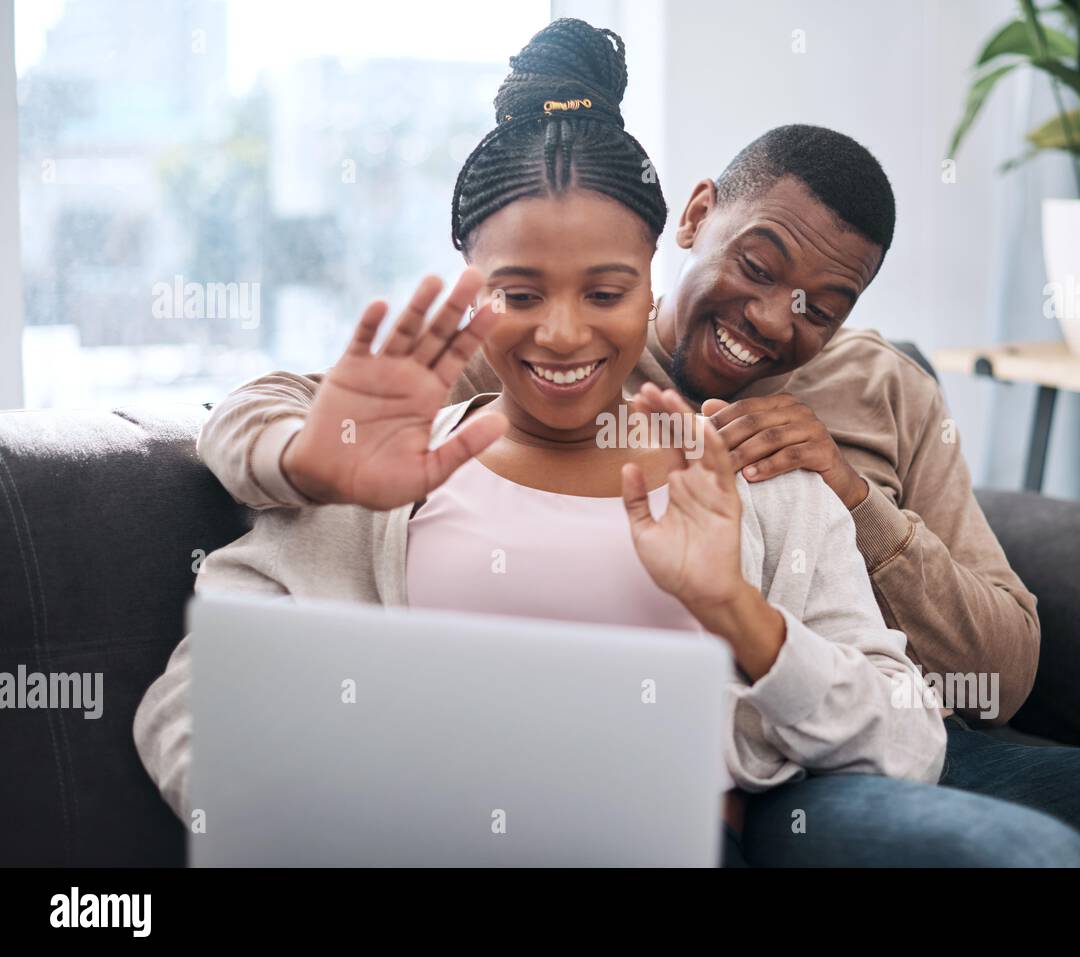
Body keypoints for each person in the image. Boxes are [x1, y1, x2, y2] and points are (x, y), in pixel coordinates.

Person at [170, 41, 1080, 867]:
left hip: (892, 723)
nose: (772, 318)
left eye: (821, 301)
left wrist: (847, 493)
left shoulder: (879, 391)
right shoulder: (522, 365)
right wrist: (310, 465)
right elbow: (292, 423)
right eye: (758, 267)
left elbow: (995, 674)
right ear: (695, 222)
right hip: (769, 769)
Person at [133, 18, 956, 866]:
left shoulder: (761, 487)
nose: (562, 335)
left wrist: (739, 612)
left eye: (606, 292)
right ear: (467, 287)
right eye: (518, 294)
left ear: (650, 288)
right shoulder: (380, 480)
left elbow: (909, 740)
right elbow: (187, 707)